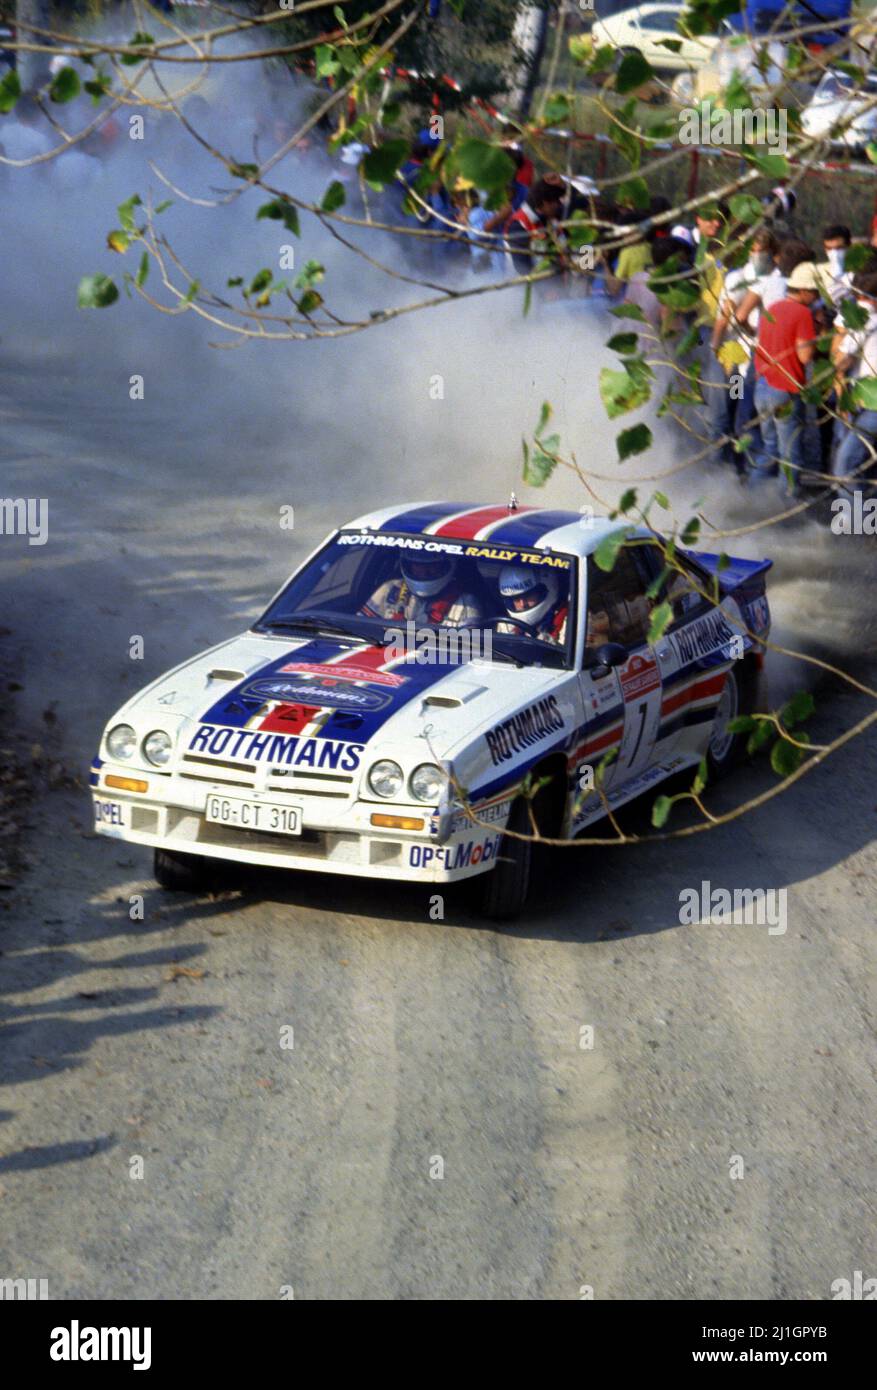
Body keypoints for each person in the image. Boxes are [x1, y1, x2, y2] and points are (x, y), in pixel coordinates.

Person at [752, 261, 821, 494]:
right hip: (785, 390)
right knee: (791, 456)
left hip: (762, 386)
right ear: (804, 291)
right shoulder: (803, 314)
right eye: (814, 292)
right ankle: (787, 506)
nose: (816, 296)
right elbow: (804, 356)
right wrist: (818, 341)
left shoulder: (771, 308)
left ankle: (751, 496)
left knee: (770, 448)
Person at [831, 269, 877, 496]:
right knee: (867, 467)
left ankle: (855, 525)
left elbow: (841, 361)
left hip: (871, 405)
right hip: (865, 401)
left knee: (846, 466)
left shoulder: (866, 320)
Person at [360, 554, 482, 628]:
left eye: (432, 565)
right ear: (407, 565)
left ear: (446, 566)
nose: (424, 571)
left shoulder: (466, 602)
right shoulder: (391, 589)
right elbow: (361, 627)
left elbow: (466, 651)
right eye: (417, 565)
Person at [504, 176, 566, 277]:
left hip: (560, 284)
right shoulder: (519, 224)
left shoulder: (554, 218)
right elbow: (522, 267)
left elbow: (584, 245)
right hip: (528, 287)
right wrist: (548, 291)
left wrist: (586, 271)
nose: (560, 205)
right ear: (545, 203)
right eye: (557, 201)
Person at [497, 567, 568, 646]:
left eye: (527, 596)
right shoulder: (505, 624)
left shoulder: (568, 621)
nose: (522, 604)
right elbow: (487, 653)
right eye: (516, 599)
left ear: (543, 591)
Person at [816, 224, 854, 308]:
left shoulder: (862, 269)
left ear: (849, 246)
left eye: (839, 248)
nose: (834, 253)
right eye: (829, 248)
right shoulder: (818, 271)